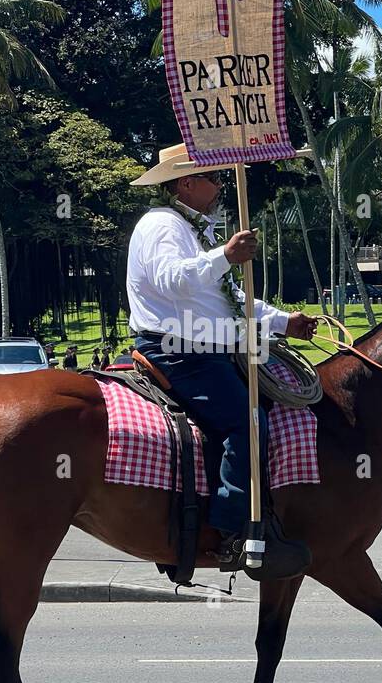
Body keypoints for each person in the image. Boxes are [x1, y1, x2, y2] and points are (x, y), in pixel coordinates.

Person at [127, 142, 318, 577]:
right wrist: (225, 256)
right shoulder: (162, 224)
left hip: (205, 349)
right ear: (186, 183)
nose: (218, 186)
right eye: (212, 178)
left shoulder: (197, 229)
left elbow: (230, 299)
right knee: (246, 424)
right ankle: (232, 531)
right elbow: (172, 281)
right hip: (181, 352)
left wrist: (283, 322)